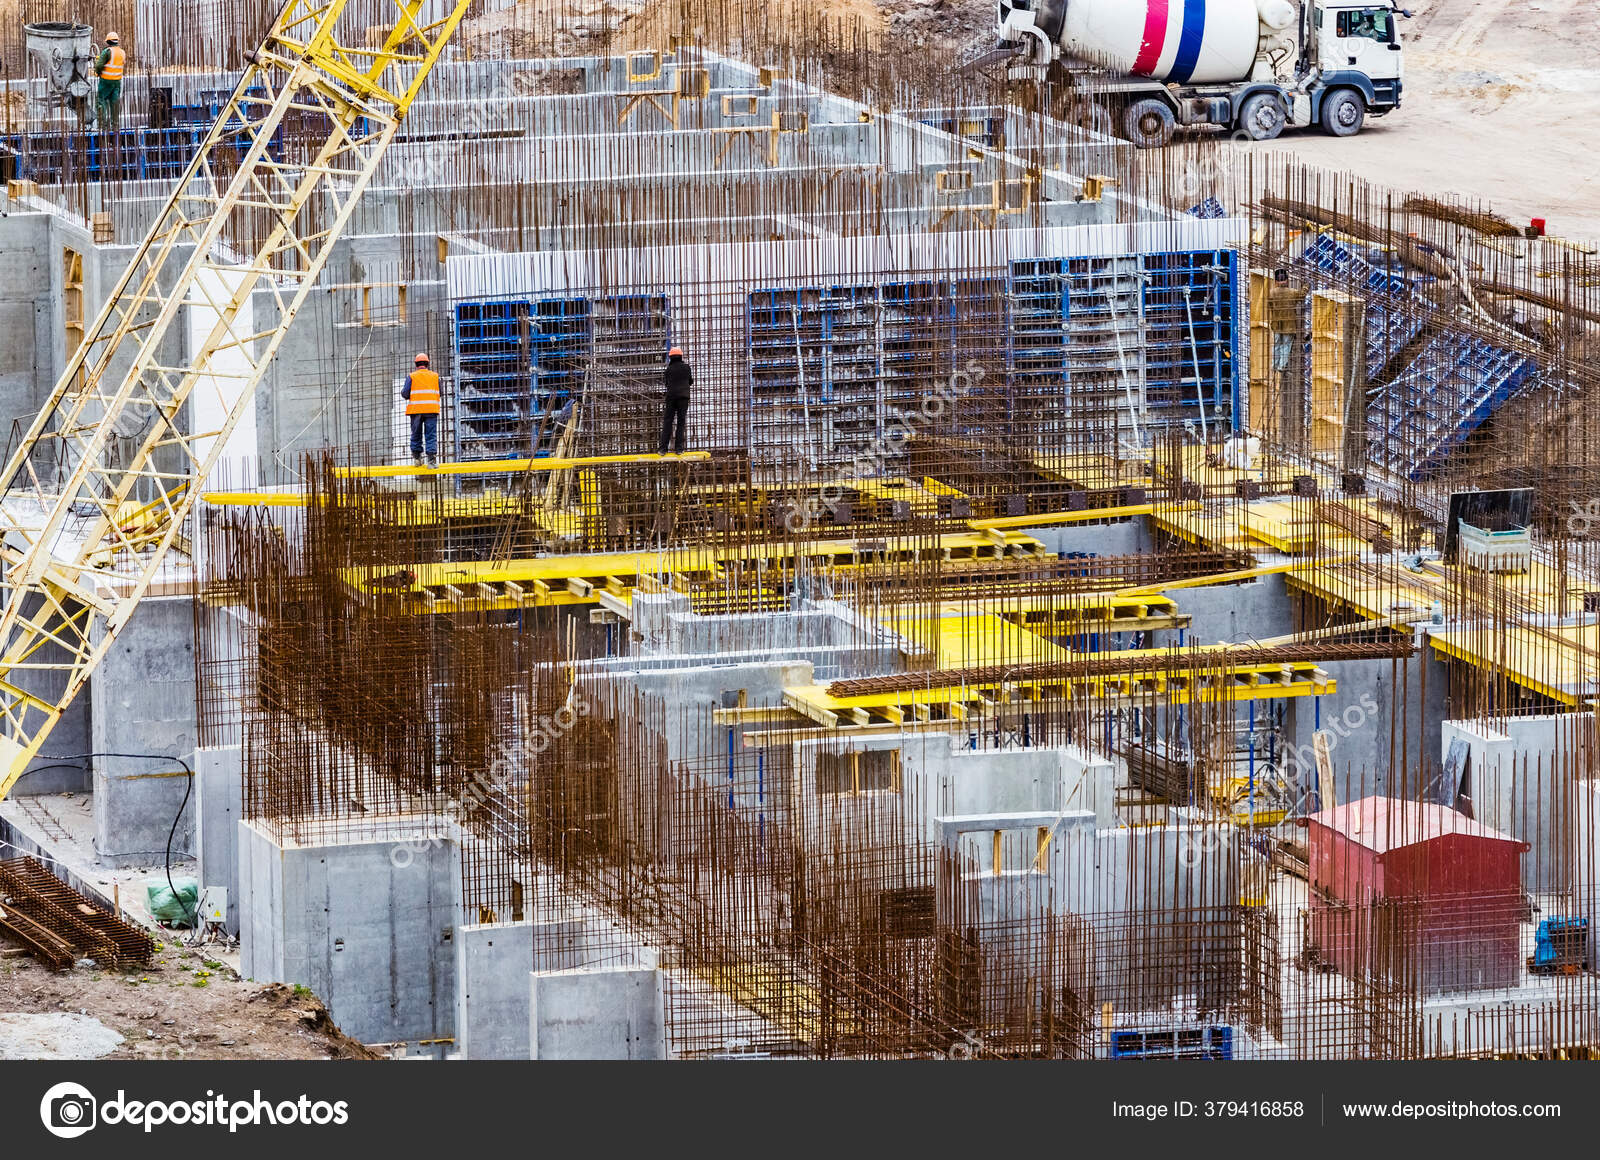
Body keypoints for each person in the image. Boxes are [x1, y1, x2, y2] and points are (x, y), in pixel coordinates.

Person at [401, 352, 441, 468]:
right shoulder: (435, 376)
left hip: (416, 411)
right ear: (427, 364)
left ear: (416, 364)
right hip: (431, 410)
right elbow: (441, 392)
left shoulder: (412, 376)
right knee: (431, 435)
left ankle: (417, 459)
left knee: (416, 434)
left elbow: (405, 393)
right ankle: (431, 461)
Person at [659, 346, 692, 456]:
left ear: (671, 358)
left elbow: (667, 383)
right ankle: (679, 449)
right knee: (681, 423)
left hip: (672, 397)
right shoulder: (687, 368)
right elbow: (690, 381)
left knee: (668, 422)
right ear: (681, 356)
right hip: (683, 397)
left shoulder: (668, 370)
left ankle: (663, 449)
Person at [94, 33, 126, 133]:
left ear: (108, 41)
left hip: (105, 81)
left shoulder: (107, 51)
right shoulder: (122, 52)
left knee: (101, 101)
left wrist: (97, 72)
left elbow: (99, 66)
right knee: (114, 103)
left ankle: (102, 127)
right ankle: (115, 126)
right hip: (117, 82)